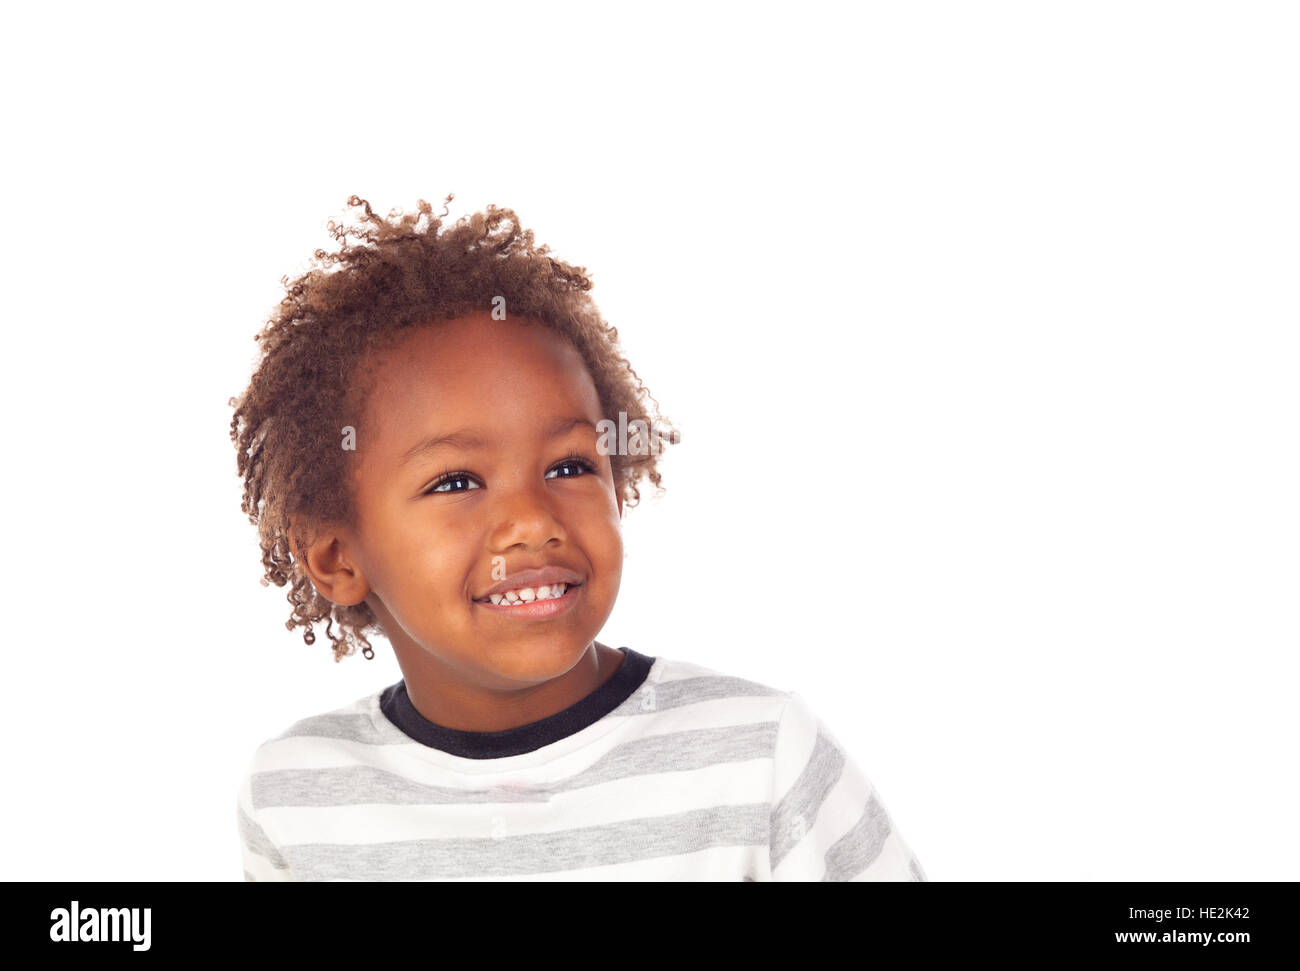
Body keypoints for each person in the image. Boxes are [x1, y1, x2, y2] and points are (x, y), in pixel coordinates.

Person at [229, 195, 927, 881]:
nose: (534, 520)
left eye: (569, 465)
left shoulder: (756, 758)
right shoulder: (298, 796)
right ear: (335, 557)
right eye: (456, 481)